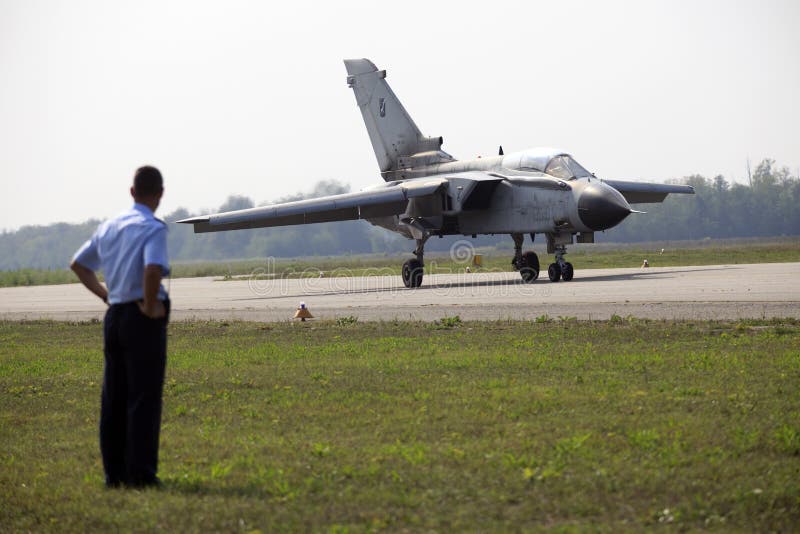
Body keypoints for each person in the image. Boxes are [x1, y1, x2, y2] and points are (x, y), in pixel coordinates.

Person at [70, 165, 170, 488]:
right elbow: (153, 268)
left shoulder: (109, 227)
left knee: (113, 395)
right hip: (141, 316)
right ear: (160, 194)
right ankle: (141, 473)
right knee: (144, 395)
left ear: (132, 192)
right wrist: (151, 304)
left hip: (115, 315)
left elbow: (79, 264)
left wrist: (106, 296)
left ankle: (114, 474)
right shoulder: (152, 227)